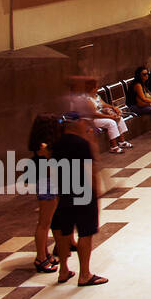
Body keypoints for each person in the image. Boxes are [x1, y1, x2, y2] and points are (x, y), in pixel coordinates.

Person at [50, 117, 106, 285]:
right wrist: (95, 193)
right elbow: (90, 171)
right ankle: (85, 275)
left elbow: (53, 171)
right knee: (85, 233)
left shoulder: (56, 144)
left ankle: (64, 271)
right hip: (83, 192)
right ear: (77, 125)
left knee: (64, 232)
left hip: (64, 192)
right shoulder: (82, 143)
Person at [28, 115, 64, 274]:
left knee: (47, 221)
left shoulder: (41, 143)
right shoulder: (43, 146)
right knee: (44, 222)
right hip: (47, 182)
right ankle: (40, 258)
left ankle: (45, 253)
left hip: (48, 181)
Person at [70, 78, 131, 154]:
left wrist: (113, 108)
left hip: (100, 116)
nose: (98, 88)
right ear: (91, 88)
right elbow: (94, 114)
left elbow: (104, 104)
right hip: (91, 119)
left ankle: (122, 141)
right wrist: (110, 117)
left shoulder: (96, 96)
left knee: (119, 118)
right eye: (96, 87)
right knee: (111, 123)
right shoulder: (87, 99)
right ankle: (113, 146)